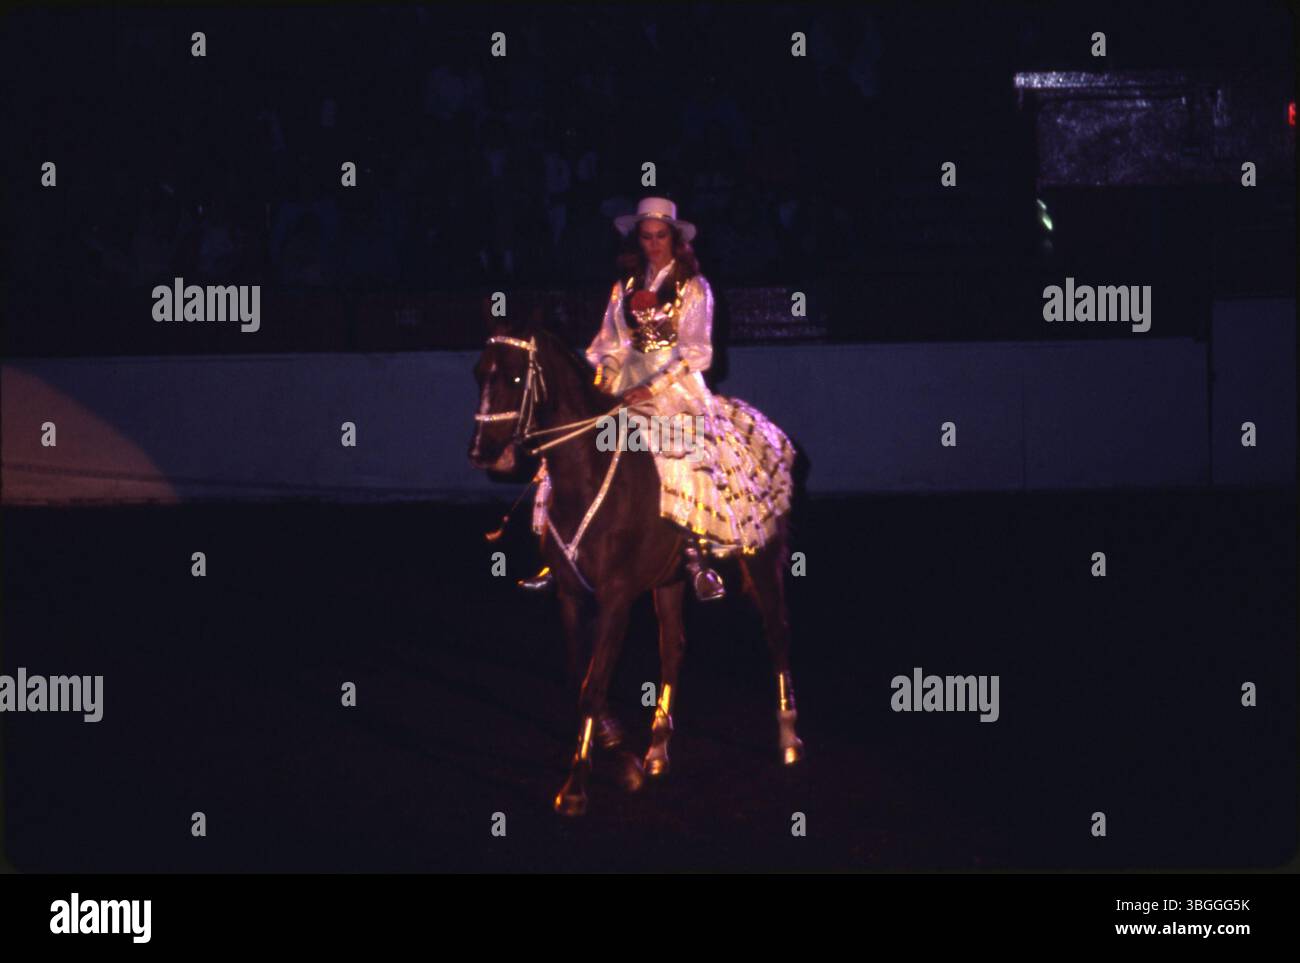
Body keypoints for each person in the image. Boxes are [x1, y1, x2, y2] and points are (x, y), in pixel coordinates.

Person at [519, 196, 794, 601]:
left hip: (676, 386)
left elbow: (697, 352)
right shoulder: (624, 287)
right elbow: (611, 343)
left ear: (675, 239)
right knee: (571, 447)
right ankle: (561, 550)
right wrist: (606, 377)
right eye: (646, 237)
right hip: (627, 378)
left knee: (680, 449)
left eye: (660, 236)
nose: (653, 244)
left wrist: (652, 387)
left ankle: (694, 554)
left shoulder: (693, 287)